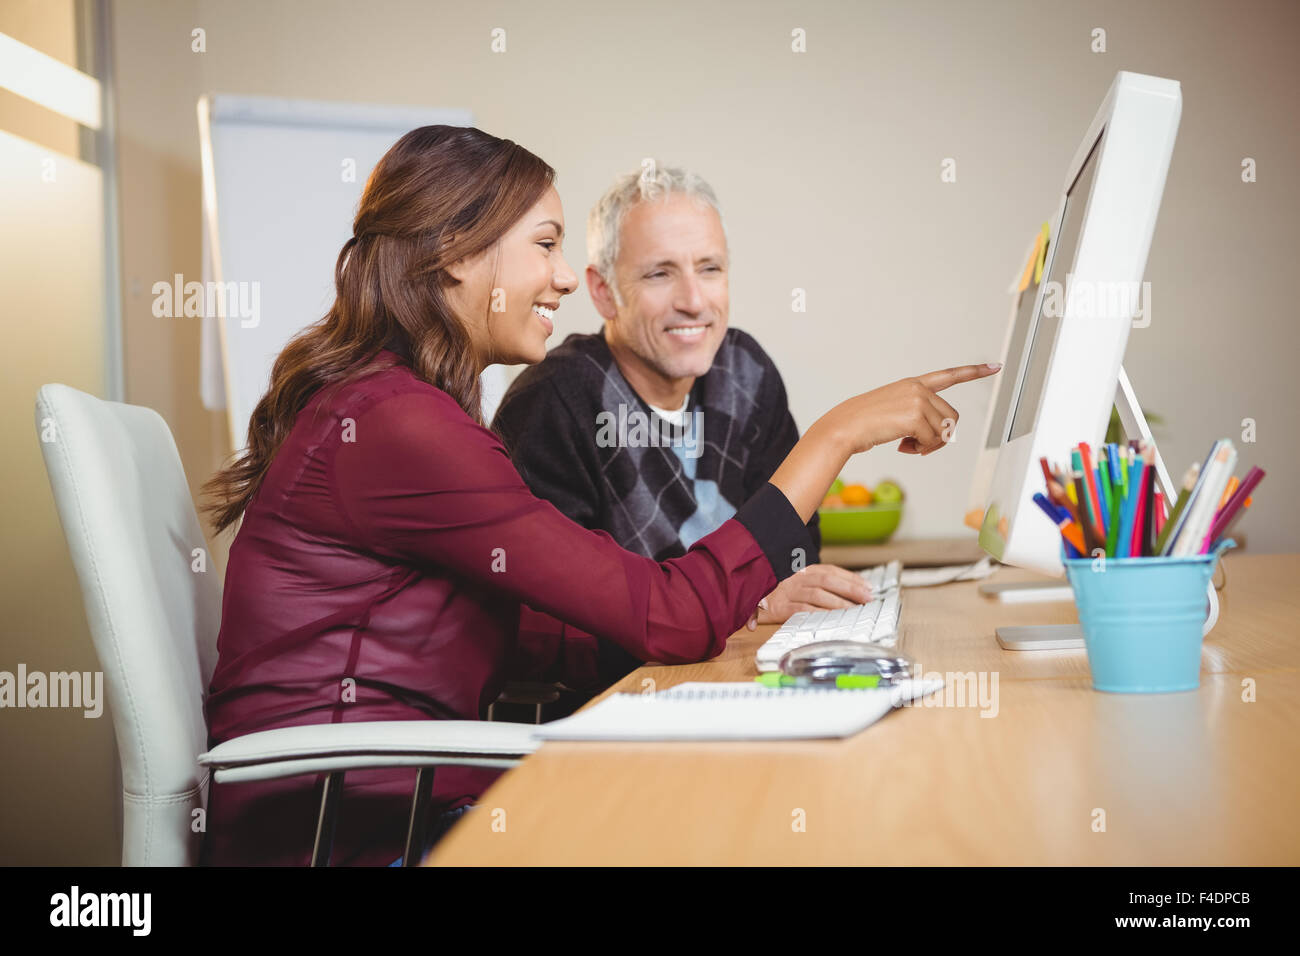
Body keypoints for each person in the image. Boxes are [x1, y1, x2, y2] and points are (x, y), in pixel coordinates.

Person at [199, 124, 999, 866]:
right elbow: (667, 613)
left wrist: (745, 610)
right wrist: (835, 436)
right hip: (355, 828)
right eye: (543, 246)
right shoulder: (399, 423)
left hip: (392, 798)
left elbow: (536, 626)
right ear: (452, 255)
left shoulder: (402, 409)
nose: (559, 279)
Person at [493, 165, 871, 689]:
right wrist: (749, 606)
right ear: (603, 293)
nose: (694, 301)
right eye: (660, 274)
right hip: (613, 710)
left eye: (710, 268)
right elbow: (557, 624)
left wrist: (767, 602)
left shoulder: (746, 371)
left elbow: (797, 545)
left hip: (740, 676)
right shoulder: (554, 402)